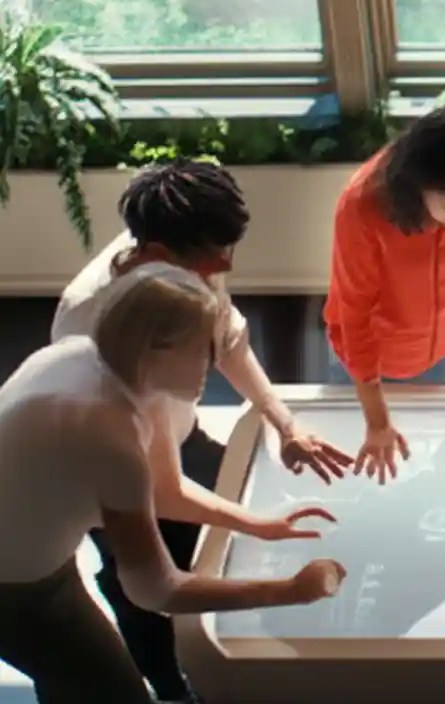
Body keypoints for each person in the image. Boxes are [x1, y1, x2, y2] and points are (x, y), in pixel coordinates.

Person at [51, 160, 353, 703]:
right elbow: (161, 499)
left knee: (224, 541)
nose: (225, 265)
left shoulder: (189, 256)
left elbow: (229, 340)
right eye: (214, 256)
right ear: (158, 254)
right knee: (144, 589)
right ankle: (176, 688)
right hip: (109, 465)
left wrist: (283, 422)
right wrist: (277, 566)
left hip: (172, 439)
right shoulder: (89, 325)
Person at [0, 272, 347, 704]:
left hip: (32, 559)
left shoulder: (105, 363)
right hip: (15, 586)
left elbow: (166, 491)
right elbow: (154, 589)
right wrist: (289, 590)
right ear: (156, 348)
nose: (214, 363)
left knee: (74, 680)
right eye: (204, 350)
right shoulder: (107, 430)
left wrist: (259, 525)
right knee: (115, 692)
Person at [325, 104, 445, 482]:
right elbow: (355, 312)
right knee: (363, 469)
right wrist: (377, 421)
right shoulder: (362, 206)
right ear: (416, 186)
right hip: (372, 356)